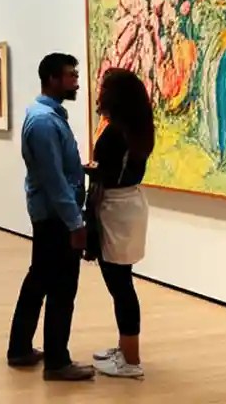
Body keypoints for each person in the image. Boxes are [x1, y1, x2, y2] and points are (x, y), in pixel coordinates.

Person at [6, 53, 94, 382]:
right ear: (52, 79)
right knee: (60, 289)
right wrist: (76, 223)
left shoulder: (46, 115)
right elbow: (54, 181)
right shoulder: (44, 121)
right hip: (56, 217)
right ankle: (57, 361)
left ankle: (20, 349)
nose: (76, 81)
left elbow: (57, 171)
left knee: (39, 281)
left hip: (50, 214)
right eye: (71, 75)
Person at [84, 67, 153, 379]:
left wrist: (83, 169)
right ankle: (125, 349)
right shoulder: (139, 128)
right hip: (131, 203)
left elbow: (106, 173)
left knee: (120, 285)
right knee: (122, 280)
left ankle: (131, 359)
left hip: (116, 207)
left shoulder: (114, 132)